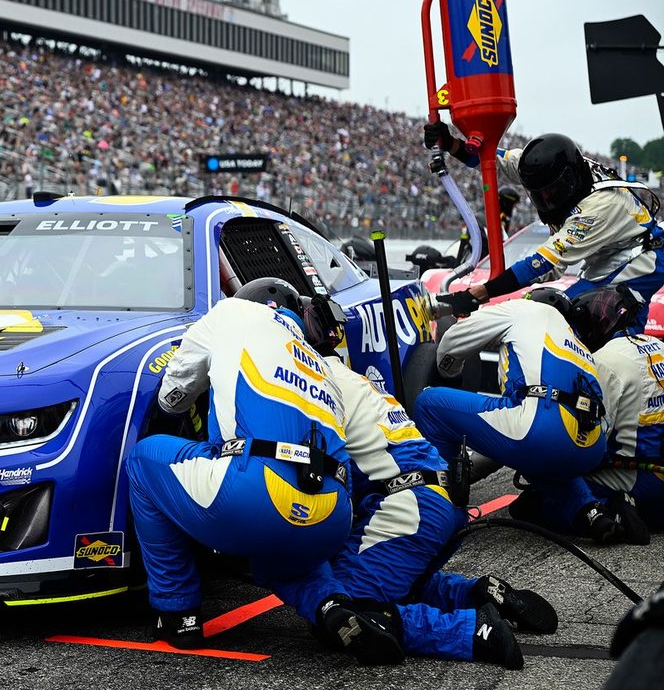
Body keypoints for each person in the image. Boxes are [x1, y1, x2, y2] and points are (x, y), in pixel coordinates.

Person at [127, 280, 402, 663]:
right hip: (333, 514)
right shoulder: (320, 363)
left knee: (143, 459)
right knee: (281, 552)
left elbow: (173, 394)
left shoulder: (230, 312)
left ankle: (177, 612)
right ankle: (331, 606)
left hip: (256, 493)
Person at [276, 313, 542, 669]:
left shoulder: (303, 380)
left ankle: (468, 631)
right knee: (395, 582)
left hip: (407, 506)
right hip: (440, 499)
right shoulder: (348, 376)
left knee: (345, 613)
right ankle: (475, 592)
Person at [414, 291, 617, 540]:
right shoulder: (578, 345)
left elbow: (453, 341)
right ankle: (590, 512)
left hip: (539, 428)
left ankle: (440, 507)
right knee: (541, 454)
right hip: (591, 447)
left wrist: (450, 374)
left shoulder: (523, 309)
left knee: (428, 404)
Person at [426, 125, 664, 330]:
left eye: (552, 190)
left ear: (570, 180)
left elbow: (541, 265)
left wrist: (474, 295)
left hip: (643, 257)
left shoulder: (598, 209)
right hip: (611, 251)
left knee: (579, 314)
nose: (546, 198)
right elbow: (491, 161)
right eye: (539, 193)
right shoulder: (543, 166)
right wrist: (451, 143)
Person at [507, 285, 655, 543]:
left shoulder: (604, 360)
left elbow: (585, 439)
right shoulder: (657, 346)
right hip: (656, 476)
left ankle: (610, 511)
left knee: (527, 506)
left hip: (639, 485)